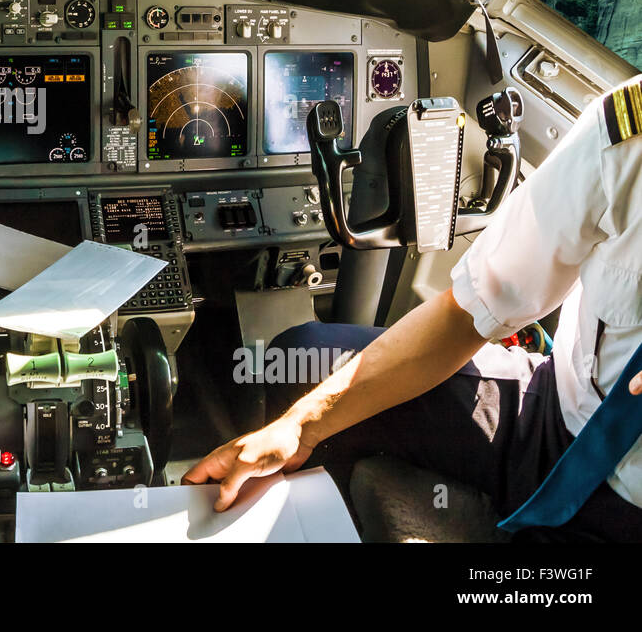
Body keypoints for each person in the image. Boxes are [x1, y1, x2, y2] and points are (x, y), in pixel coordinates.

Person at [184, 75, 642, 542]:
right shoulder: (627, 135)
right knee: (304, 357)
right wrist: (299, 428)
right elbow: (470, 311)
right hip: (553, 415)